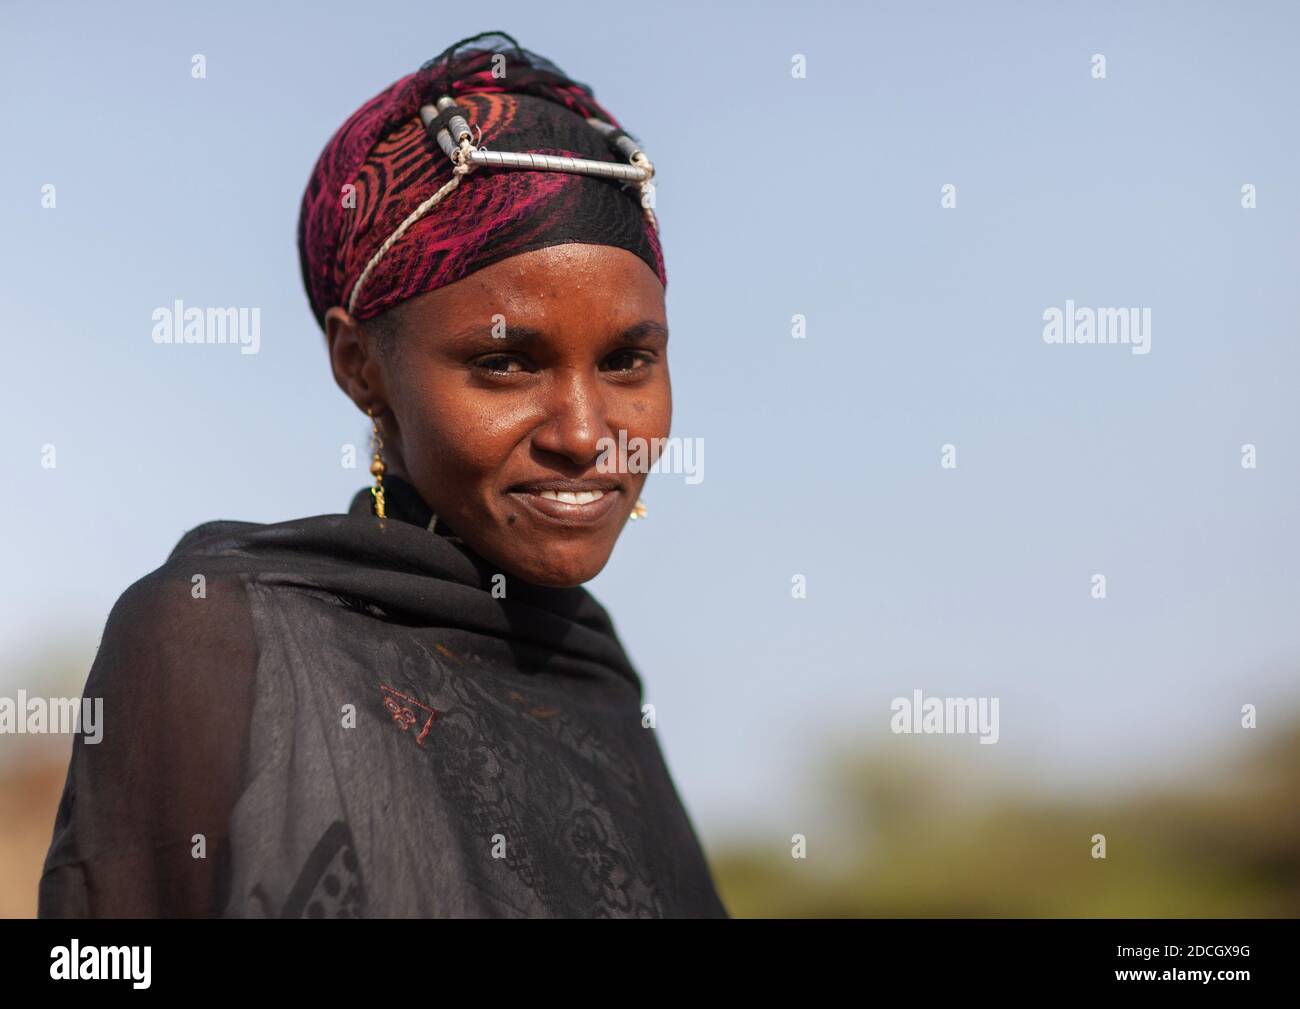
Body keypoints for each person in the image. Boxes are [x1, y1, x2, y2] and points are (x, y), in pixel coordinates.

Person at [38, 30, 729, 918]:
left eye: (629, 360)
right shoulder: (218, 641)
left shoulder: (595, 684)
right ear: (360, 364)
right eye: (508, 364)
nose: (588, 432)